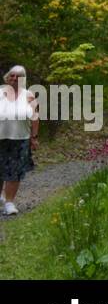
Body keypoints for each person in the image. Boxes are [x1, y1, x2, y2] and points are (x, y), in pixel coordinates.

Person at [0, 65, 38, 217]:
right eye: (12, 76)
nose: (15, 79)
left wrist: (34, 137)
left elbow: (35, 117)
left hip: (21, 139)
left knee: (14, 172)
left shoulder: (29, 95)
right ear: (7, 77)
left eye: (18, 77)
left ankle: (9, 203)